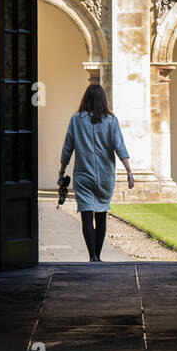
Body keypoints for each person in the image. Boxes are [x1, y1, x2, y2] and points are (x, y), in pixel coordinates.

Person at [58, 83, 135, 261]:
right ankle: (98, 257)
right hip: (105, 177)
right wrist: (129, 172)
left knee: (86, 215)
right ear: (103, 100)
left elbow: (67, 149)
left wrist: (61, 172)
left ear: (85, 98)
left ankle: (92, 256)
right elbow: (119, 147)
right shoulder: (111, 120)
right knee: (101, 215)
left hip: (83, 175)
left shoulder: (76, 120)